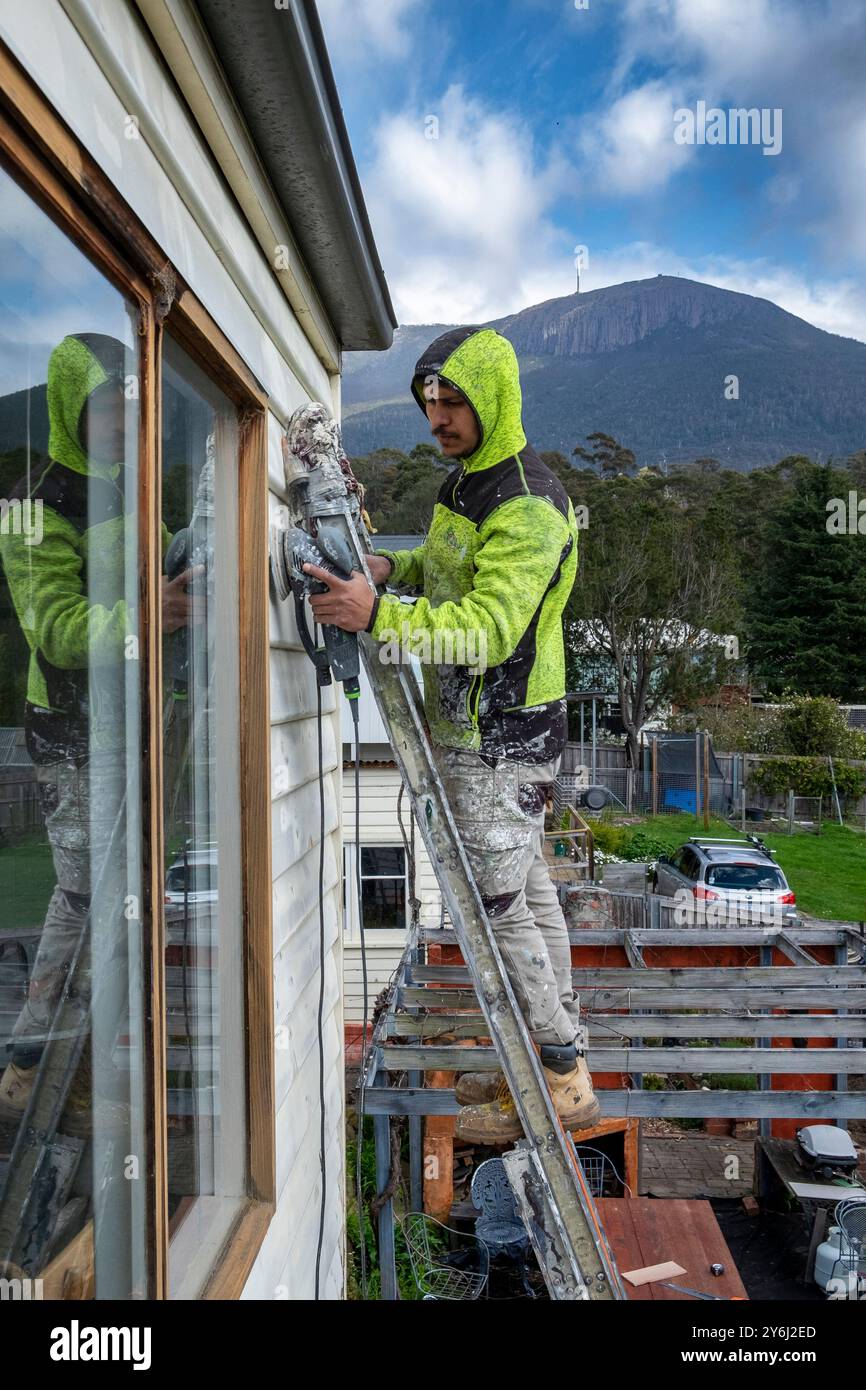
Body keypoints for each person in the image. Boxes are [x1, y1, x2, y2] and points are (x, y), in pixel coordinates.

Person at [303, 325, 600, 1143]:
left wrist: (378, 616)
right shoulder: (465, 485)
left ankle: (561, 1079)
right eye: (429, 401)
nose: (438, 417)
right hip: (483, 731)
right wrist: (388, 571)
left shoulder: (530, 504)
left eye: (454, 401)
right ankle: (558, 1057)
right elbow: (443, 566)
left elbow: (493, 627)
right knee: (531, 895)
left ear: (495, 398)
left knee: (500, 907)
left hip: (503, 737)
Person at [0, 332, 199, 1144]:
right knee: (85, 901)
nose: (123, 417)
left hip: (126, 723)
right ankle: (27, 1070)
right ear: (67, 410)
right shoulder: (30, 504)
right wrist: (155, 612)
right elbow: (51, 628)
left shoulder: (128, 492)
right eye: (105, 404)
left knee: (116, 905)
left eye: (131, 401)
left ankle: (72, 1075)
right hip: (74, 735)